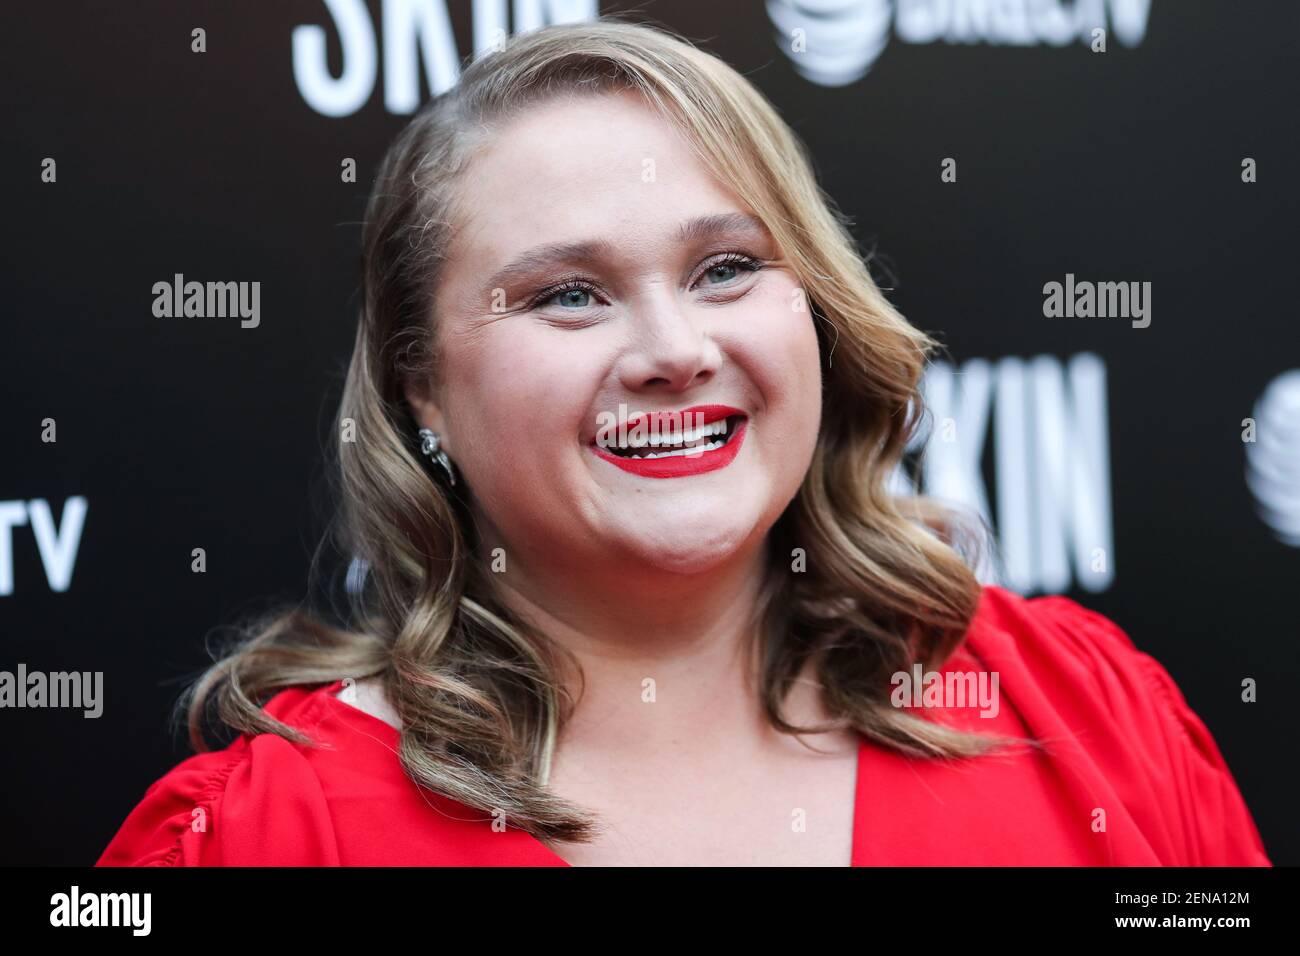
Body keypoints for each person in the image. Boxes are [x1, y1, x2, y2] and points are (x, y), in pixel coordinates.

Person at [96, 17, 1269, 867]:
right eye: (566, 294)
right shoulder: (259, 838)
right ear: (421, 391)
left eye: (725, 268)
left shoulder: (1085, 710)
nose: (671, 346)